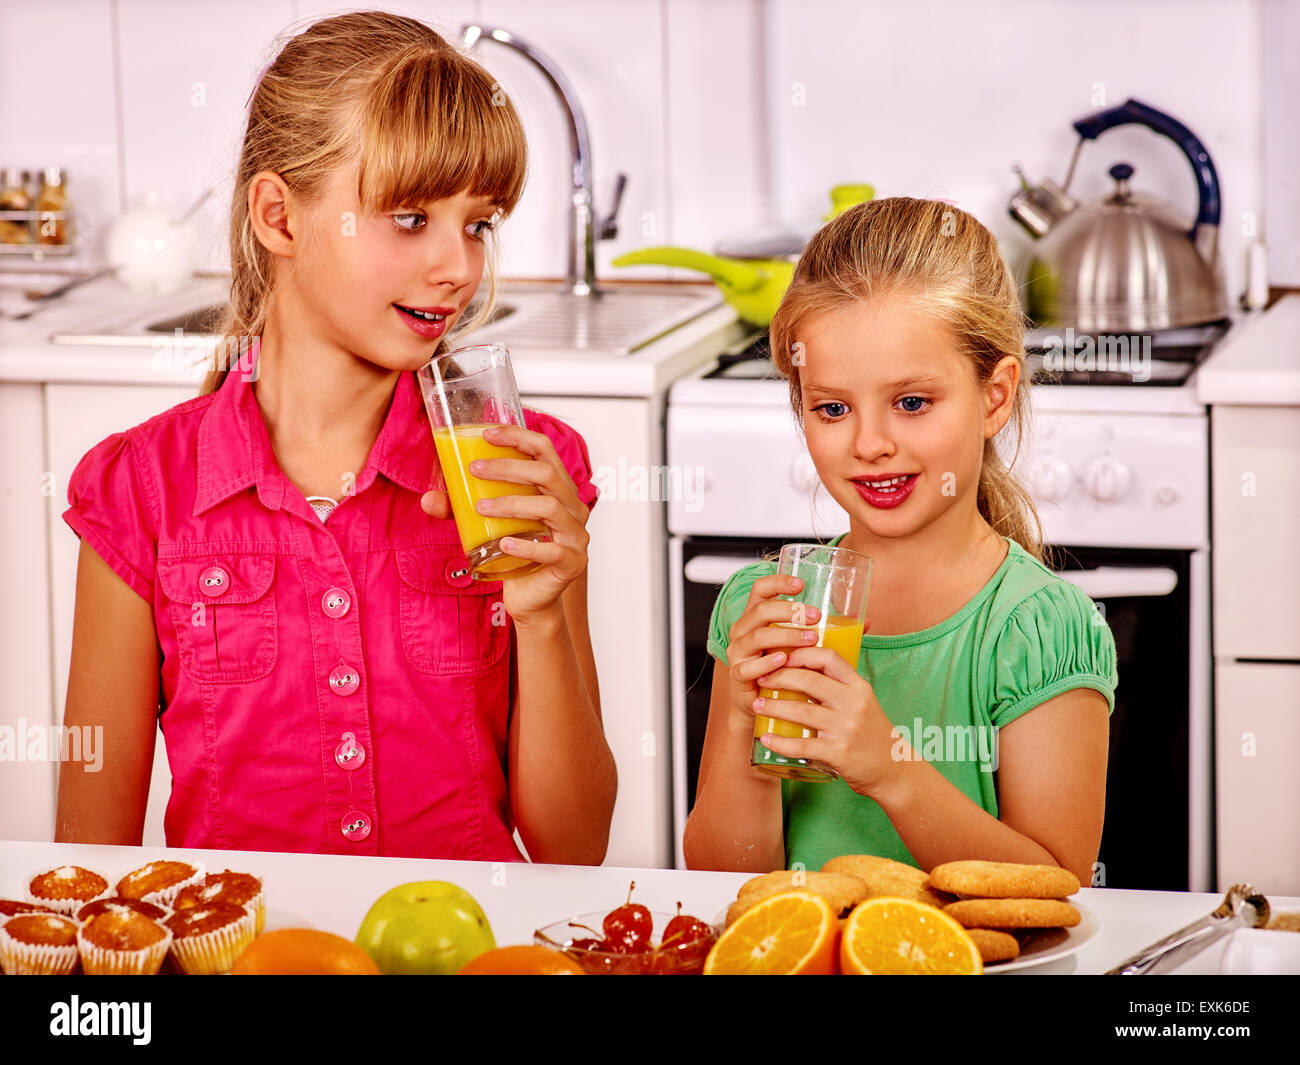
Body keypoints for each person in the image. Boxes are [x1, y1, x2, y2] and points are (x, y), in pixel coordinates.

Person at [56, 11, 616, 864]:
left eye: (478, 223)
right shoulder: (141, 489)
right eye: (408, 217)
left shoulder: (522, 470)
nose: (459, 268)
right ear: (279, 217)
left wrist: (540, 621)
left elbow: (575, 848)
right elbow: (87, 862)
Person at [683, 197, 1116, 885]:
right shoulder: (763, 609)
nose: (871, 444)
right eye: (832, 408)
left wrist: (888, 767)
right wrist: (741, 712)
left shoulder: (1035, 629)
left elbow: (1054, 890)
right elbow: (720, 873)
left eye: (912, 402)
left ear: (996, 397)